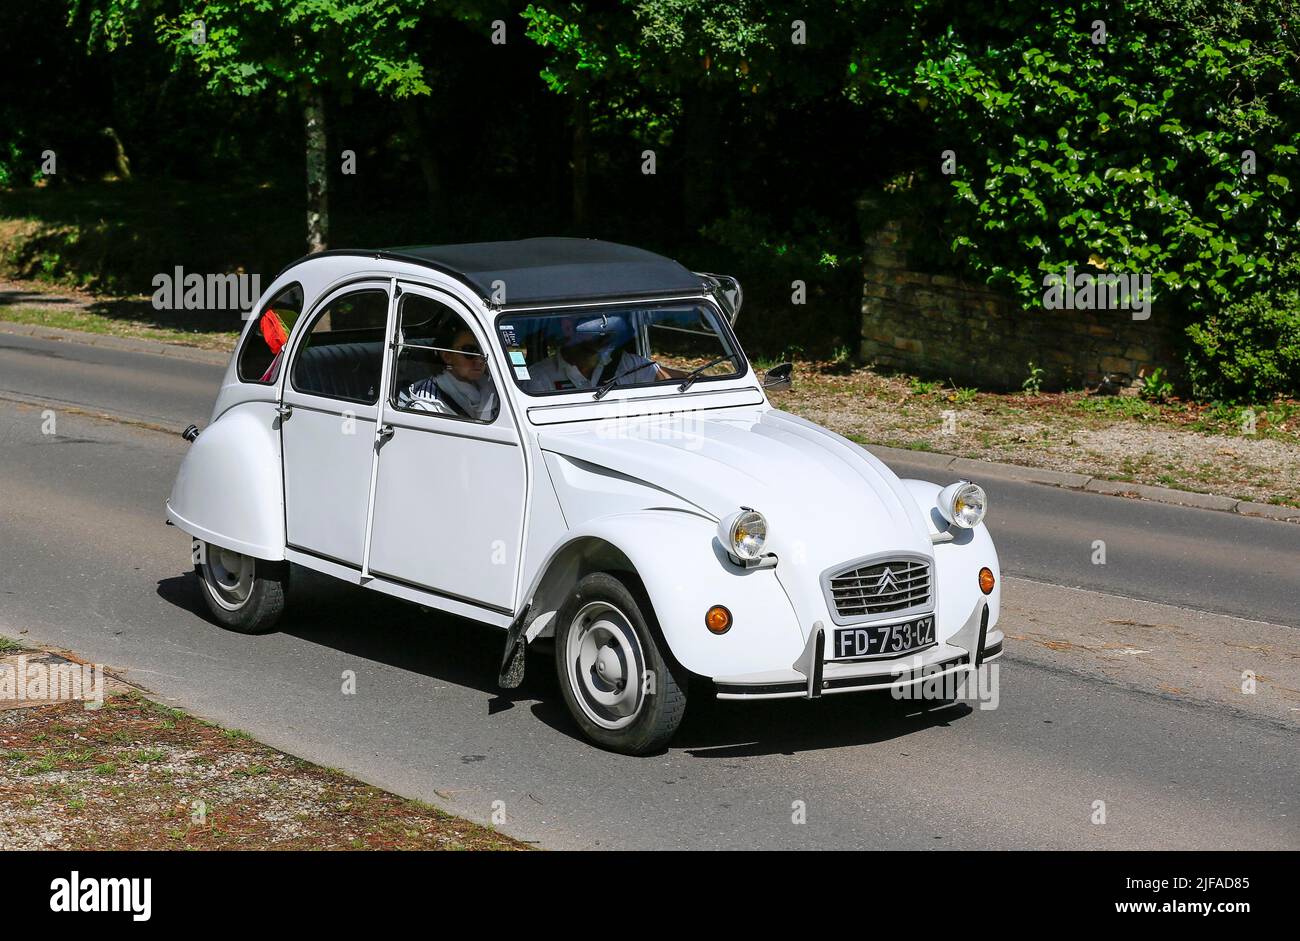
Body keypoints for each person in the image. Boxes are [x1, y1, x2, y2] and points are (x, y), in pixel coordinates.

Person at [523, 314, 673, 392]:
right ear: (567, 327)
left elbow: (673, 384)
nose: (603, 331)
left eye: (607, 323)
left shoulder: (630, 365)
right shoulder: (540, 377)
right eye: (592, 323)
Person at [398, 327, 498, 421]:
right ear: (447, 356)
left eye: (483, 352)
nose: (480, 360)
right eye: (470, 351)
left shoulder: (494, 389)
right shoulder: (426, 407)